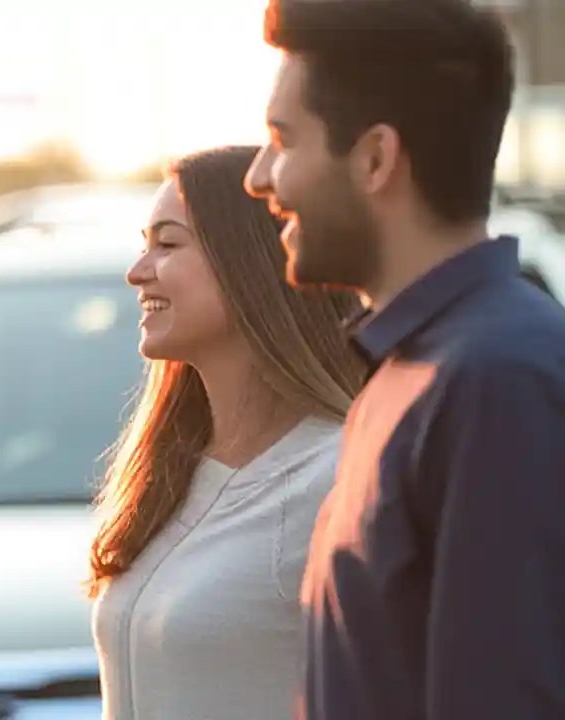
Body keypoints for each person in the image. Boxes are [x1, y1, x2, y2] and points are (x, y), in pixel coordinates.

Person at [244, 1, 565, 718]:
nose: (261, 177)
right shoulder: (417, 368)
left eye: (283, 139)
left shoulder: (497, 379)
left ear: (376, 158)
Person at [89, 146, 365, 720]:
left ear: (251, 262)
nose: (137, 271)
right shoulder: (173, 473)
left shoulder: (342, 478)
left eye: (167, 243)